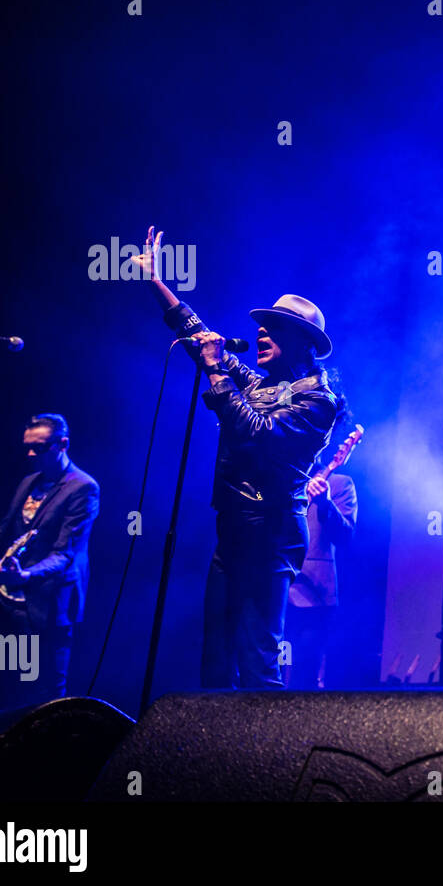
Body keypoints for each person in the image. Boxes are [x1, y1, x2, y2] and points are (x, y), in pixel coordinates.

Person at [132, 226, 340, 688]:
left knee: (258, 655)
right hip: (234, 528)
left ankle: (267, 738)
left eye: (274, 326)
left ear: (304, 342)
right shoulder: (264, 385)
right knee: (216, 655)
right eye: (261, 324)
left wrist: (215, 371)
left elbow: (257, 435)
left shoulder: (317, 401)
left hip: (271, 534)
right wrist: (155, 282)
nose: (261, 330)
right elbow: (198, 334)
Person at [0, 414, 99, 742]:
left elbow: (64, 554)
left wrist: (24, 575)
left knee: (44, 700)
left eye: (38, 448)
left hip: (47, 606)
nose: (30, 454)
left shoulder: (83, 488)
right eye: (27, 447)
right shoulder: (28, 482)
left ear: (63, 444)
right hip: (2, 601)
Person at [285, 467, 357, 689]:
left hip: (313, 597)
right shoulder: (280, 474)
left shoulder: (339, 483)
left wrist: (326, 504)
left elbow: (346, 537)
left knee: (303, 675)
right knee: (264, 670)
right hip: (271, 589)